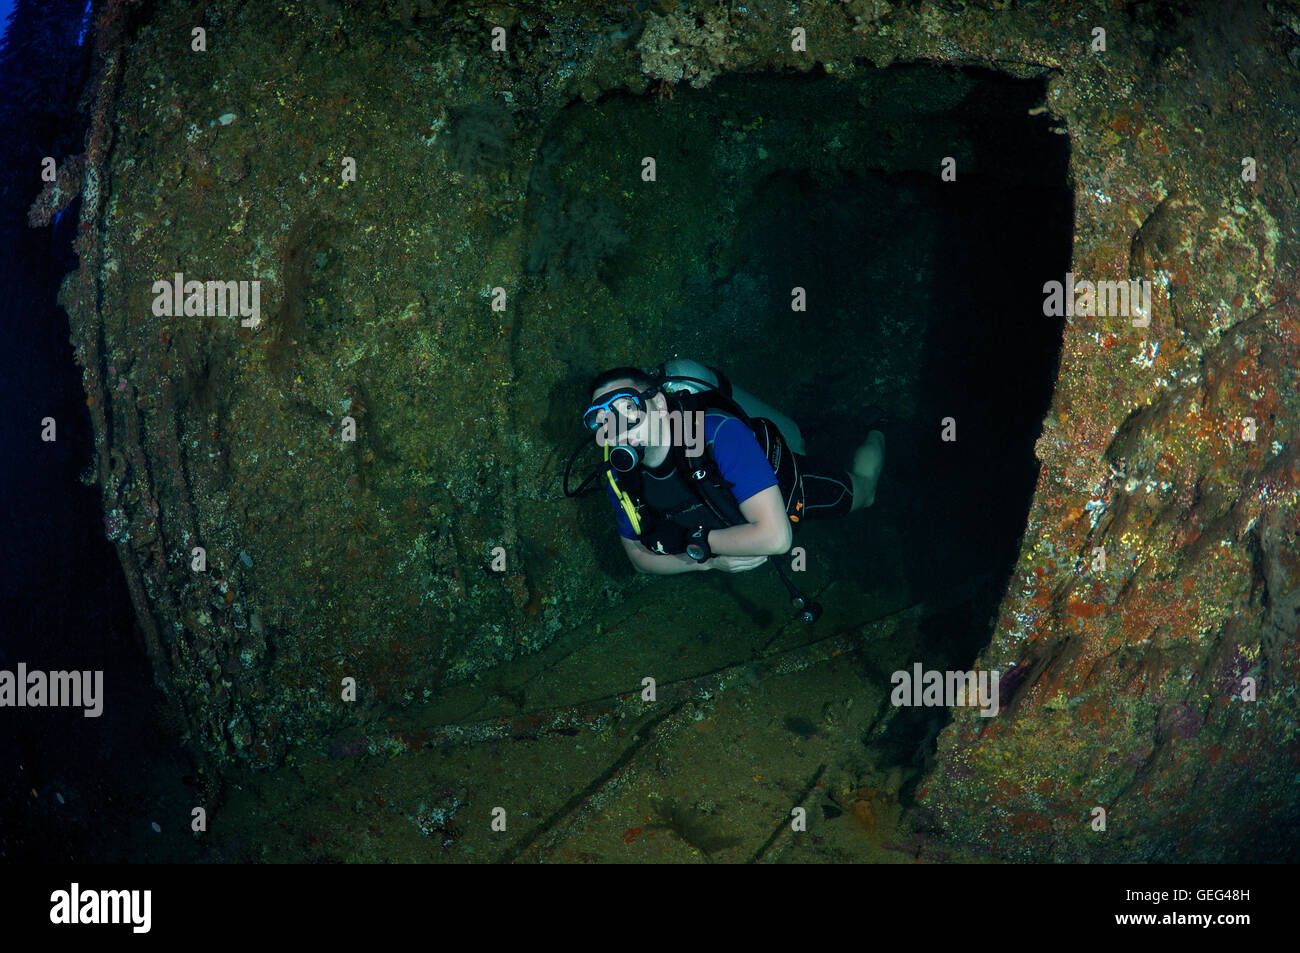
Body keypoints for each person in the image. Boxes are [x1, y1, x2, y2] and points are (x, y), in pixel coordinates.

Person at [583, 359, 886, 575]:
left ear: (660, 405)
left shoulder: (715, 433)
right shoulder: (619, 475)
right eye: (601, 421)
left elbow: (777, 538)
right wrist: (708, 561)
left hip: (782, 485)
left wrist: (701, 544)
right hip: (724, 513)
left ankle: (879, 426)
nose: (617, 430)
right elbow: (638, 557)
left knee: (866, 491)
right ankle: (812, 429)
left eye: (627, 409)